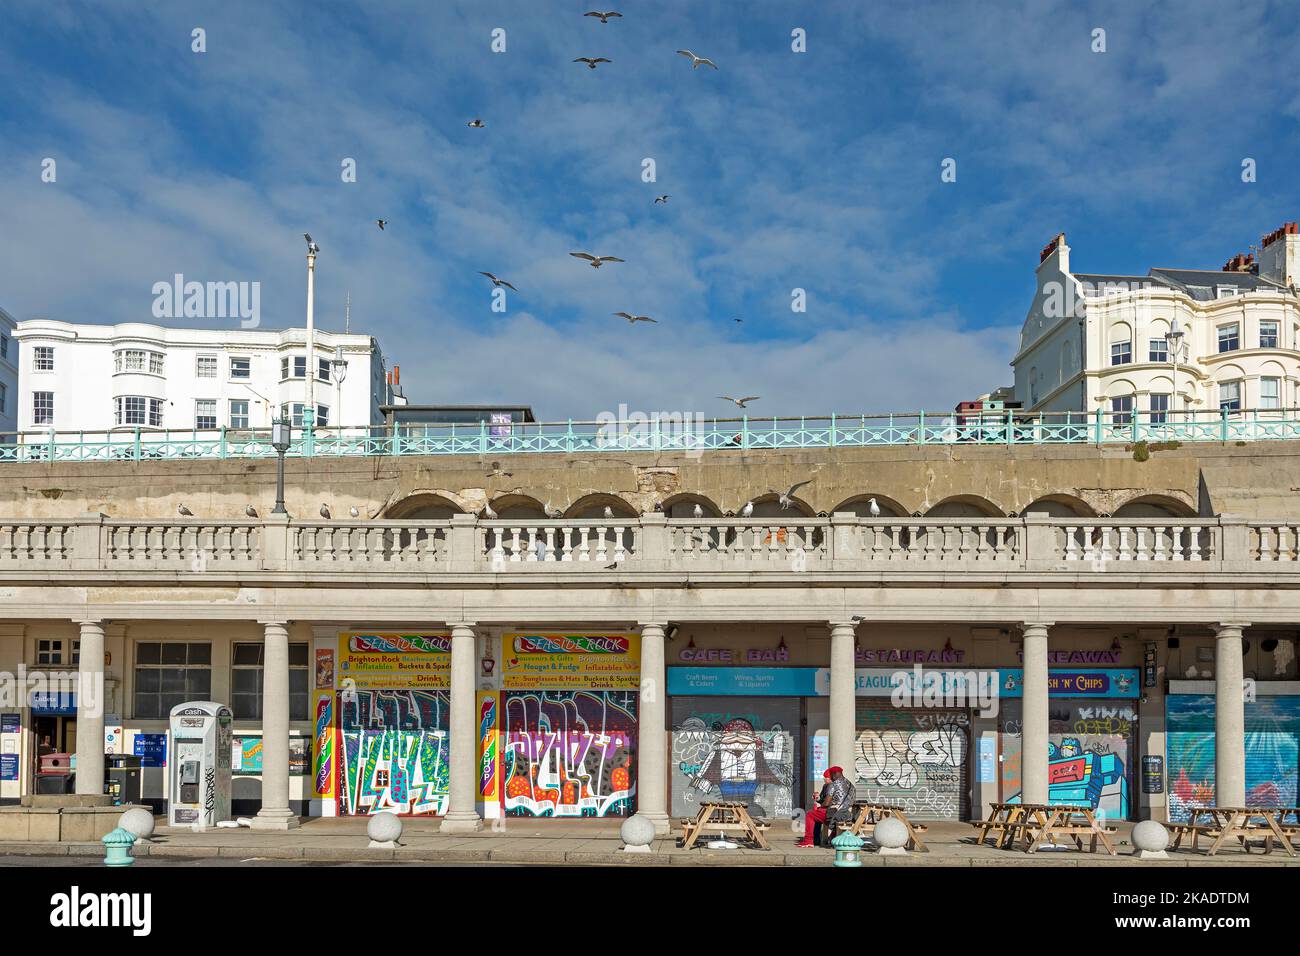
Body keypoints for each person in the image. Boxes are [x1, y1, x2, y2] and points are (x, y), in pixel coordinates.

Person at [797, 765, 855, 847]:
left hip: (835, 814)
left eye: (830, 775)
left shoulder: (833, 785)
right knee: (817, 813)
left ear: (834, 775)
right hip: (848, 814)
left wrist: (821, 804)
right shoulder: (851, 785)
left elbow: (827, 803)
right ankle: (816, 839)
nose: (829, 777)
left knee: (810, 814)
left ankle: (808, 840)